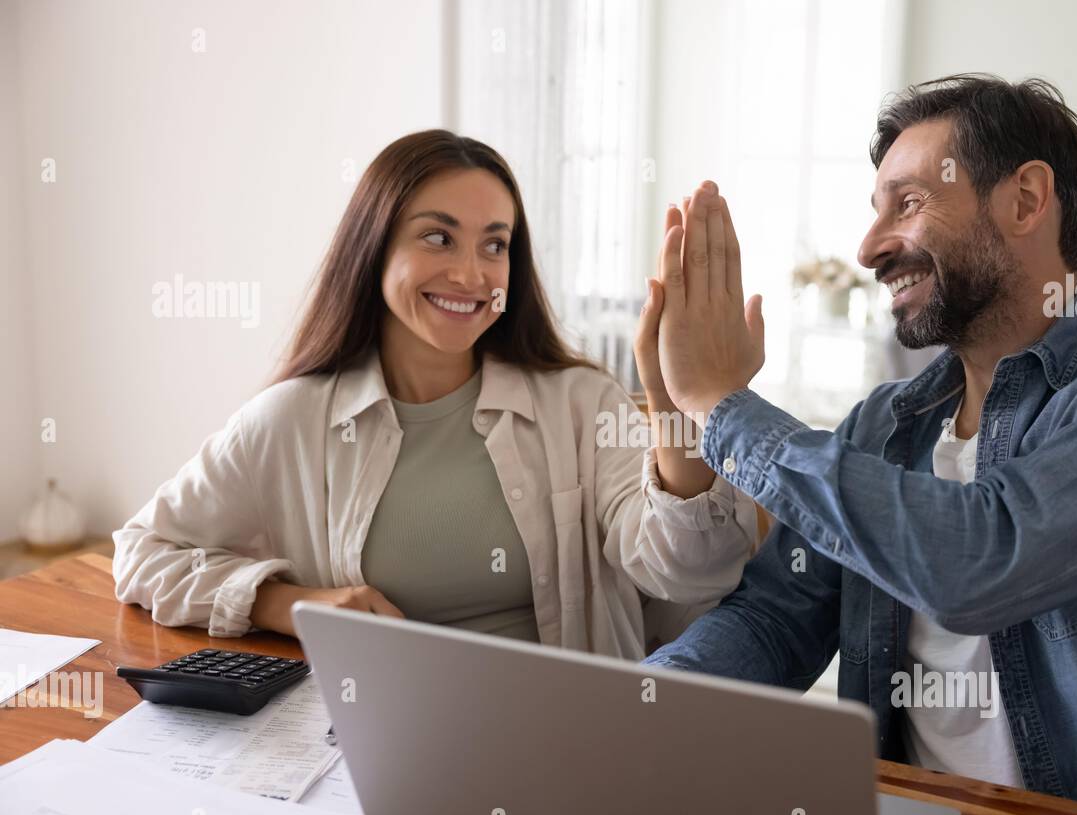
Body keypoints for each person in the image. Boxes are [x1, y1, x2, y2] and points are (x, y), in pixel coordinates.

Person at [640, 74, 1077, 815]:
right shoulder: (882, 424)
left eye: (906, 203)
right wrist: (640, 708)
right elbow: (776, 621)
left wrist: (722, 408)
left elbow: (981, 559)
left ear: (1026, 200)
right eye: (876, 212)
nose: (871, 248)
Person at [114, 130, 757, 660]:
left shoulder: (582, 403)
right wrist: (289, 603)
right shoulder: (294, 419)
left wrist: (674, 405)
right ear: (375, 247)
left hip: (563, 740)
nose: (471, 274)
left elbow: (690, 571)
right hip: (372, 745)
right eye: (437, 237)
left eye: (495, 245)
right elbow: (141, 554)